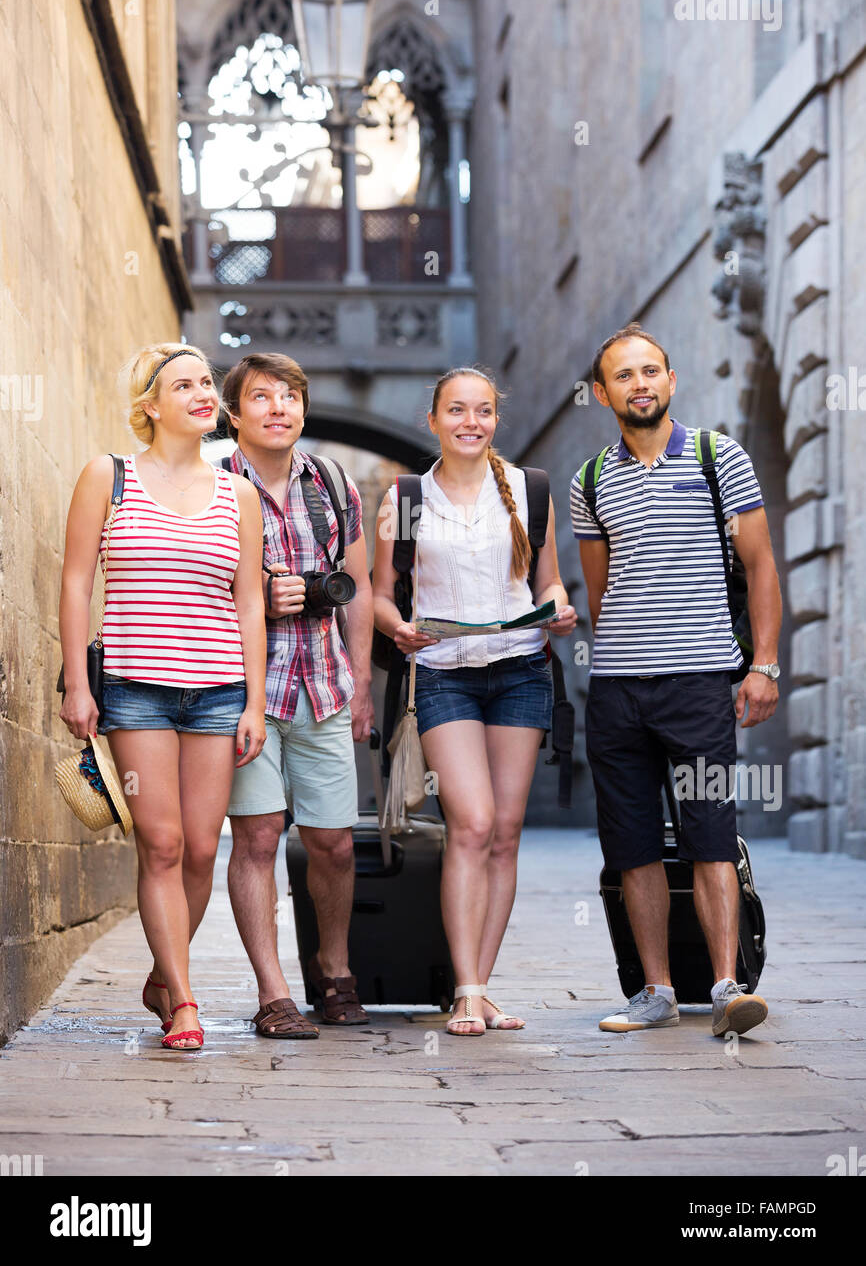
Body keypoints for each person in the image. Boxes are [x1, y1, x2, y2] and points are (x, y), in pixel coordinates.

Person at [571, 322, 782, 1037]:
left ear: (671, 380)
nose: (640, 384)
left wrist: (763, 665)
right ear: (603, 393)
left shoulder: (720, 458)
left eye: (651, 371)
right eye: (624, 375)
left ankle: (726, 988)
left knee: (711, 835)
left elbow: (760, 567)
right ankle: (656, 992)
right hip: (618, 691)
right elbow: (601, 597)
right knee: (631, 845)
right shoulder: (590, 482)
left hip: (698, 686)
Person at [58, 343, 267, 1051]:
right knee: (163, 843)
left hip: (216, 693)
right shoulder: (107, 477)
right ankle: (183, 1000)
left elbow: (249, 606)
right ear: (150, 404)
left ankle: (161, 972)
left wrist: (254, 701)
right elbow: (77, 581)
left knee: (204, 851)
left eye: (207, 382)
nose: (204, 393)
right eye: (184, 385)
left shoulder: (238, 492)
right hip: (136, 691)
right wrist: (78, 684)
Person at [372, 366, 577, 1035]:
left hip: (520, 671)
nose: (470, 422)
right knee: (474, 822)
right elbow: (378, 593)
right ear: (433, 420)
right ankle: (463, 988)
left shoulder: (529, 491)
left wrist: (559, 612)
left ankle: (481, 984)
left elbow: (548, 587)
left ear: (495, 419)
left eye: (483, 411)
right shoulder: (405, 497)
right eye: (456, 411)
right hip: (442, 672)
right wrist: (395, 626)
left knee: (507, 831)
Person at [221, 354, 375, 1038]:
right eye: (262, 397)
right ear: (235, 415)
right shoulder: (212, 483)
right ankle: (273, 992)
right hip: (244, 691)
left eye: (291, 396)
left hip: (324, 682)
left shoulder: (334, 483)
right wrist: (255, 595)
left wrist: (363, 682)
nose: (279, 407)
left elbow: (360, 587)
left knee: (335, 842)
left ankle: (332, 968)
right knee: (257, 837)